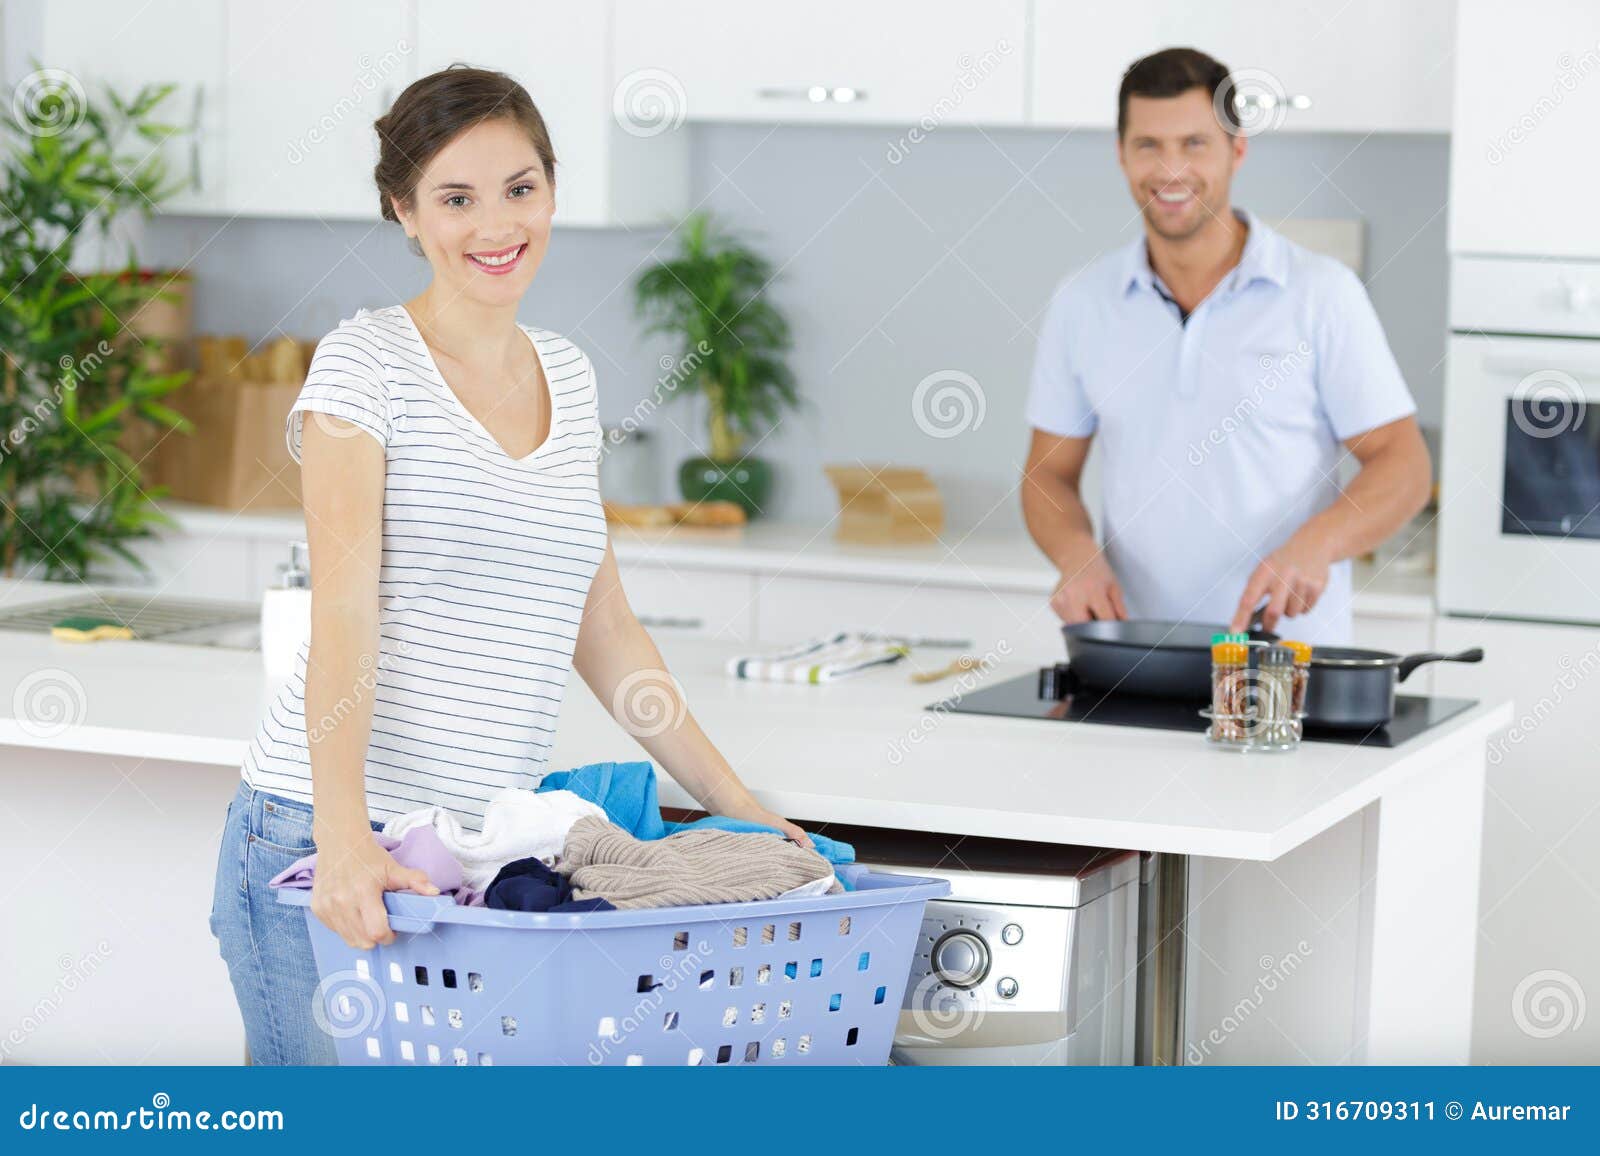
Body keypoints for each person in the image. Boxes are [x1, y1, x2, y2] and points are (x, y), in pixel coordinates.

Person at [208, 66, 809, 1066]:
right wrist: (348, 841)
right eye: (455, 198)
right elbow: (345, 614)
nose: (496, 225)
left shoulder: (568, 376)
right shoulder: (365, 367)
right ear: (403, 211)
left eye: (519, 188)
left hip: (468, 847)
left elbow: (604, 627)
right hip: (321, 832)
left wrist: (738, 805)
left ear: (552, 191)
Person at [1021, 47, 1432, 643]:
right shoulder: (1082, 302)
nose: (1170, 169)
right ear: (1120, 154)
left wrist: (1320, 541)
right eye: (1148, 145)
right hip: (1133, 655)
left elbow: (1403, 462)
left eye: (1193, 144)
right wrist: (1075, 554)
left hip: (1285, 666)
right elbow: (1047, 474)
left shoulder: (1320, 294)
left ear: (1237, 150)